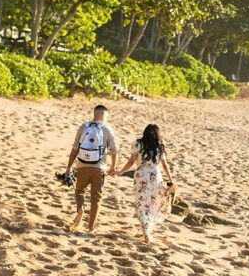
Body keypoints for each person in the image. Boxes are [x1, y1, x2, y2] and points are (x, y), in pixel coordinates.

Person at [63, 104, 119, 233]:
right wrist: (113, 166)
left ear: (94, 113)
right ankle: (91, 227)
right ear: (103, 115)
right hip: (98, 168)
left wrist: (69, 167)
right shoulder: (106, 129)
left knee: (79, 190)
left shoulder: (83, 127)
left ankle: (80, 209)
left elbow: (74, 149)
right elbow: (114, 150)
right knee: (96, 197)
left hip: (82, 165)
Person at [117, 123, 175, 244]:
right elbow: (164, 165)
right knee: (153, 203)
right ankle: (148, 230)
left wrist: (121, 171)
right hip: (155, 176)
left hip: (141, 175)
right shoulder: (160, 146)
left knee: (142, 204)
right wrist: (170, 179)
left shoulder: (138, 144)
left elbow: (132, 161)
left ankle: (146, 231)